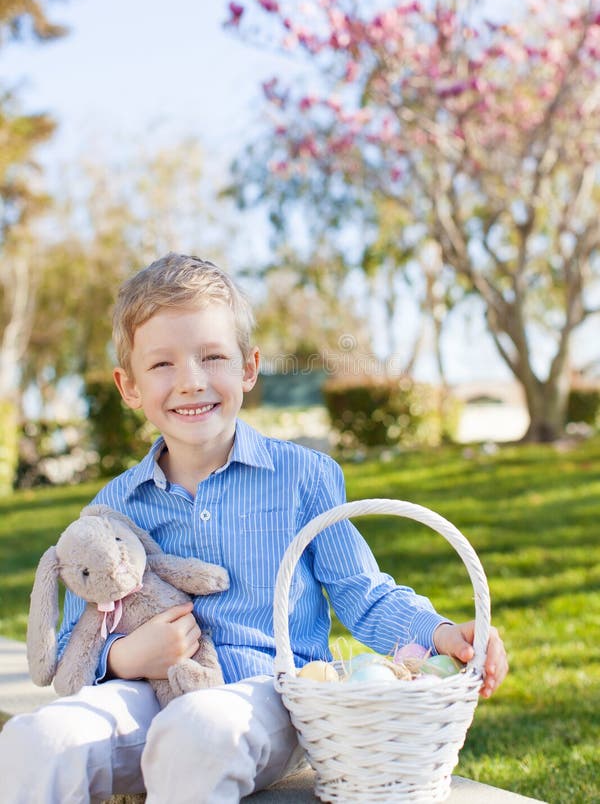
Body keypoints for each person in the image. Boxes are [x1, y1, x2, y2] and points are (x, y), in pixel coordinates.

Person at [0, 253, 508, 804]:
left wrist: (439, 632)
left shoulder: (303, 477)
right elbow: (76, 638)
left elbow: (362, 592)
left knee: (196, 730)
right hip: (148, 691)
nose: (191, 382)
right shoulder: (112, 507)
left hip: (270, 696)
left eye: (213, 356)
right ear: (129, 387)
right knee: (37, 740)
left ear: (248, 367)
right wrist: (126, 657)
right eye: (162, 364)